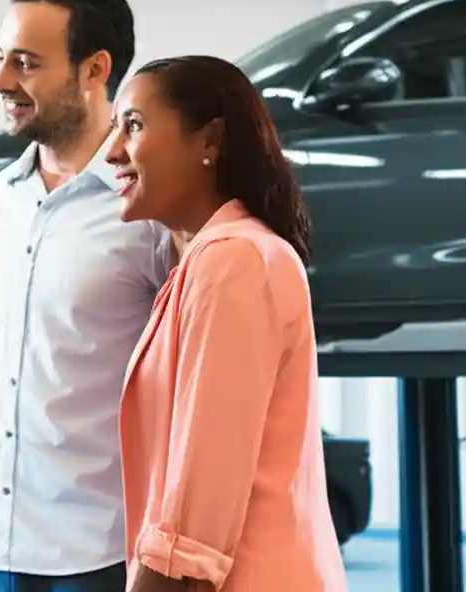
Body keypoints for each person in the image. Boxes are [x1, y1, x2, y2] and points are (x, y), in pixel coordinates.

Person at [0, 0, 175, 592]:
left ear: (94, 69)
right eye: (1, 58)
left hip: (102, 552)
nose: (1, 81)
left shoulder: (153, 209)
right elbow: (1, 351)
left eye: (25, 63)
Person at [106, 55, 348, 592]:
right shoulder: (213, 260)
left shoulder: (234, 262)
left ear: (209, 140)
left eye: (135, 126)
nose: (112, 151)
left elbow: (196, 512)